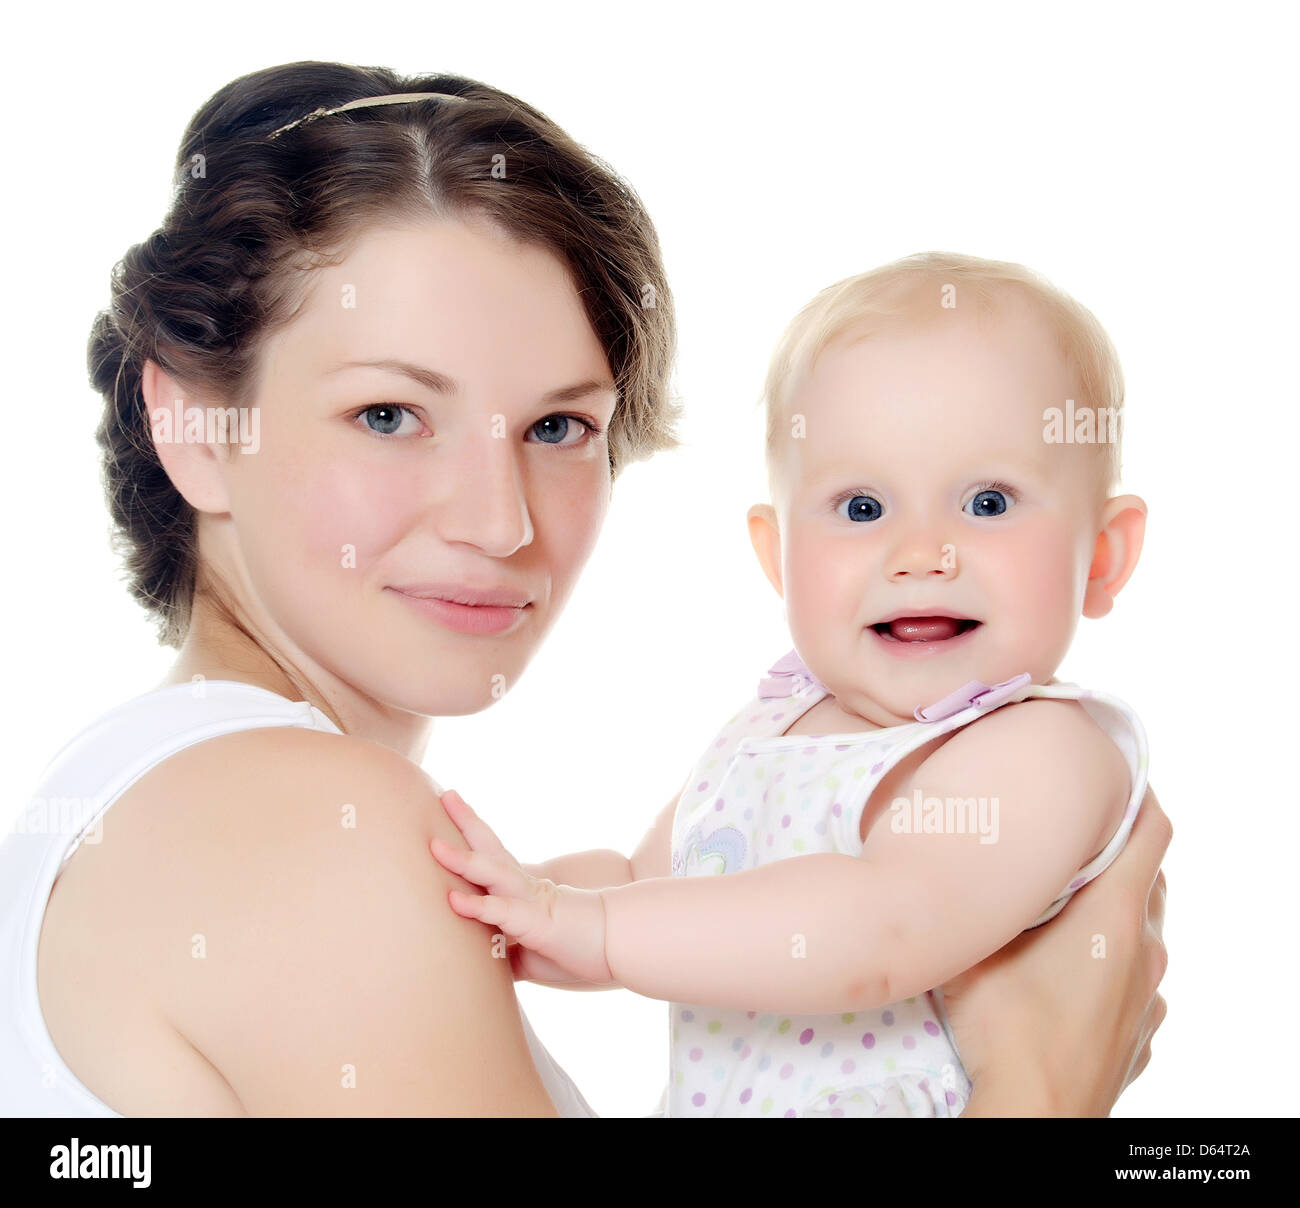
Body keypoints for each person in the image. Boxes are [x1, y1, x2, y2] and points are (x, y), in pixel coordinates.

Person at [0, 61, 1170, 1117]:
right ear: (197, 426)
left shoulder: (126, 786)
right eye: (390, 414)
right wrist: (1047, 1086)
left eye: (558, 425)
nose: (500, 519)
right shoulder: (314, 834)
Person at [431, 251, 1156, 1117]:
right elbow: (638, 880)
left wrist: (590, 930)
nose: (921, 553)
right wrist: (515, 909)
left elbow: (884, 928)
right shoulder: (769, 729)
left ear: (1103, 557)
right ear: (780, 559)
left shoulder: (1042, 748)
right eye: (861, 508)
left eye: (989, 503)